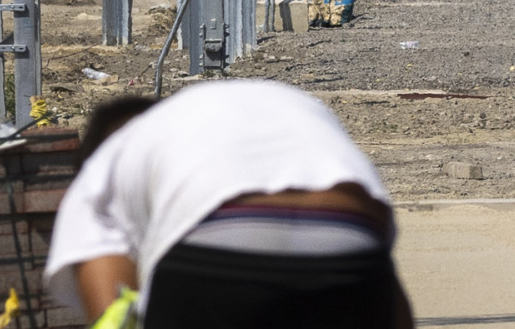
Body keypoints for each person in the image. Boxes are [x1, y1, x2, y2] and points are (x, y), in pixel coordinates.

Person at [45, 81, 413, 329]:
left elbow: (115, 316)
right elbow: (391, 296)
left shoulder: (102, 170)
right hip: (349, 232)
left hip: (222, 241)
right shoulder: (193, 124)